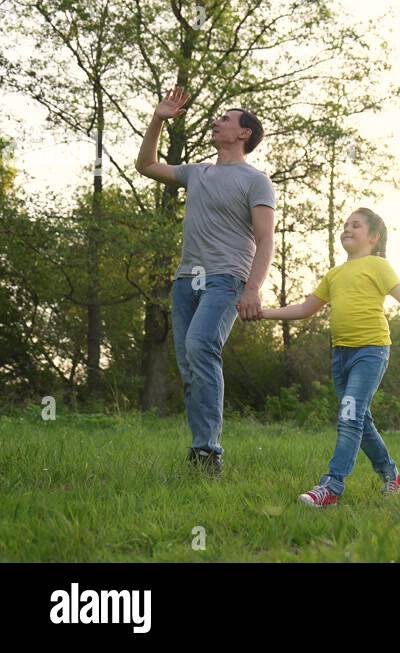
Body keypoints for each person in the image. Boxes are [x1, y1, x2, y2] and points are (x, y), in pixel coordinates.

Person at [262, 208, 400, 507]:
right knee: (359, 418)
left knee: (349, 416)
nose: (347, 229)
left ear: (374, 237)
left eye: (356, 225)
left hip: (371, 351)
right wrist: (263, 313)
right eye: (345, 225)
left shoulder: (378, 265)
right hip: (341, 356)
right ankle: (392, 476)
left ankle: (331, 486)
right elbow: (305, 309)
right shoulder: (334, 274)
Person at [135, 86, 276, 475]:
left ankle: (210, 452)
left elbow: (265, 239)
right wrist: (158, 119)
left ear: (244, 133)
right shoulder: (196, 172)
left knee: (201, 346)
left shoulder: (256, 181)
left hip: (226, 279)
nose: (216, 122)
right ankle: (200, 453)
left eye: (225, 119)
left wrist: (252, 288)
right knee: (190, 366)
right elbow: (145, 166)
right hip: (186, 283)